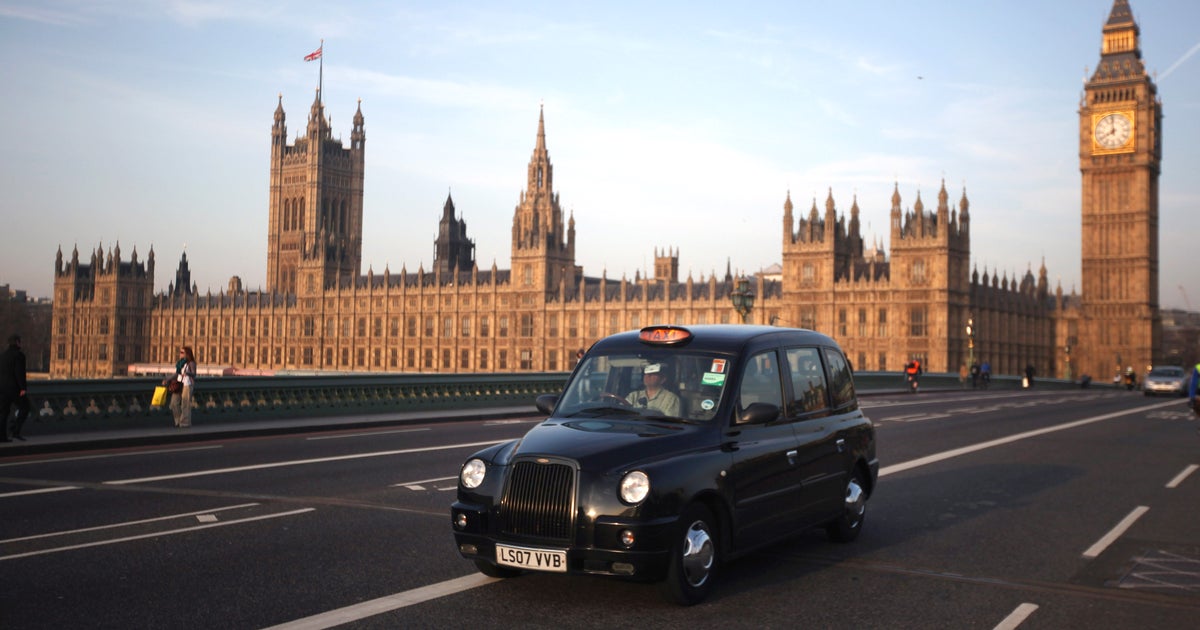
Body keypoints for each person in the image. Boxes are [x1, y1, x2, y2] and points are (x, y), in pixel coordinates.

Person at [0, 334, 31, 441]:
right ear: (17, 342)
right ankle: (15, 430)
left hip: (2, 388)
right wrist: (23, 388)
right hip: (14, 389)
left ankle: (2, 436)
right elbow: (19, 373)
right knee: (25, 408)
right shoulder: (19, 356)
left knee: (3, 412)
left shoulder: (2, 355)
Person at [164, 346, 197, 428]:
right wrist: (168, 379)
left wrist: (187, 373)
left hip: (187, 384)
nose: (180, 354)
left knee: (185, 404)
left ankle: (185, 423)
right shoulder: (180, 363)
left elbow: (194, 374)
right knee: (174, 403)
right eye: (180, 352)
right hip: (179, 384)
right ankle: (178, 421)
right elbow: (176, 373)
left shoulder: (191, 363)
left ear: (187, 354)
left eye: (182, 352)